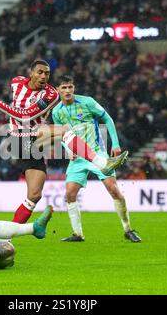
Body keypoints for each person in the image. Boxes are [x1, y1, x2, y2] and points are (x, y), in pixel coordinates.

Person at [0, 59, 129, 224]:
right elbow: (18, 112)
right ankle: (102, 163)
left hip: (34, 138)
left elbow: (26, 116)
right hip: (19, 140)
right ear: (31, 73)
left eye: (47, 73)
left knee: (34, 196)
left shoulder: (50, 94)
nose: (43, 76)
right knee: (65, 129)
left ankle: (8, 234)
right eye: (40, 72)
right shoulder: (16, 82)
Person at [52, 75, 141, 242]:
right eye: (64, 87)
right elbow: (60, 135)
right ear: (58, 90)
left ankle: (128, 229)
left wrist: (115, 143)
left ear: (74, 88)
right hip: (77, 158)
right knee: (70, 193)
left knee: (113, 190)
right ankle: (78, 234)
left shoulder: (87, 102)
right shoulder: (56, 112)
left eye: (70, 87)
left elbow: (107, 118)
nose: (68, 91)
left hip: (97, 153)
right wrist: (66, 149)